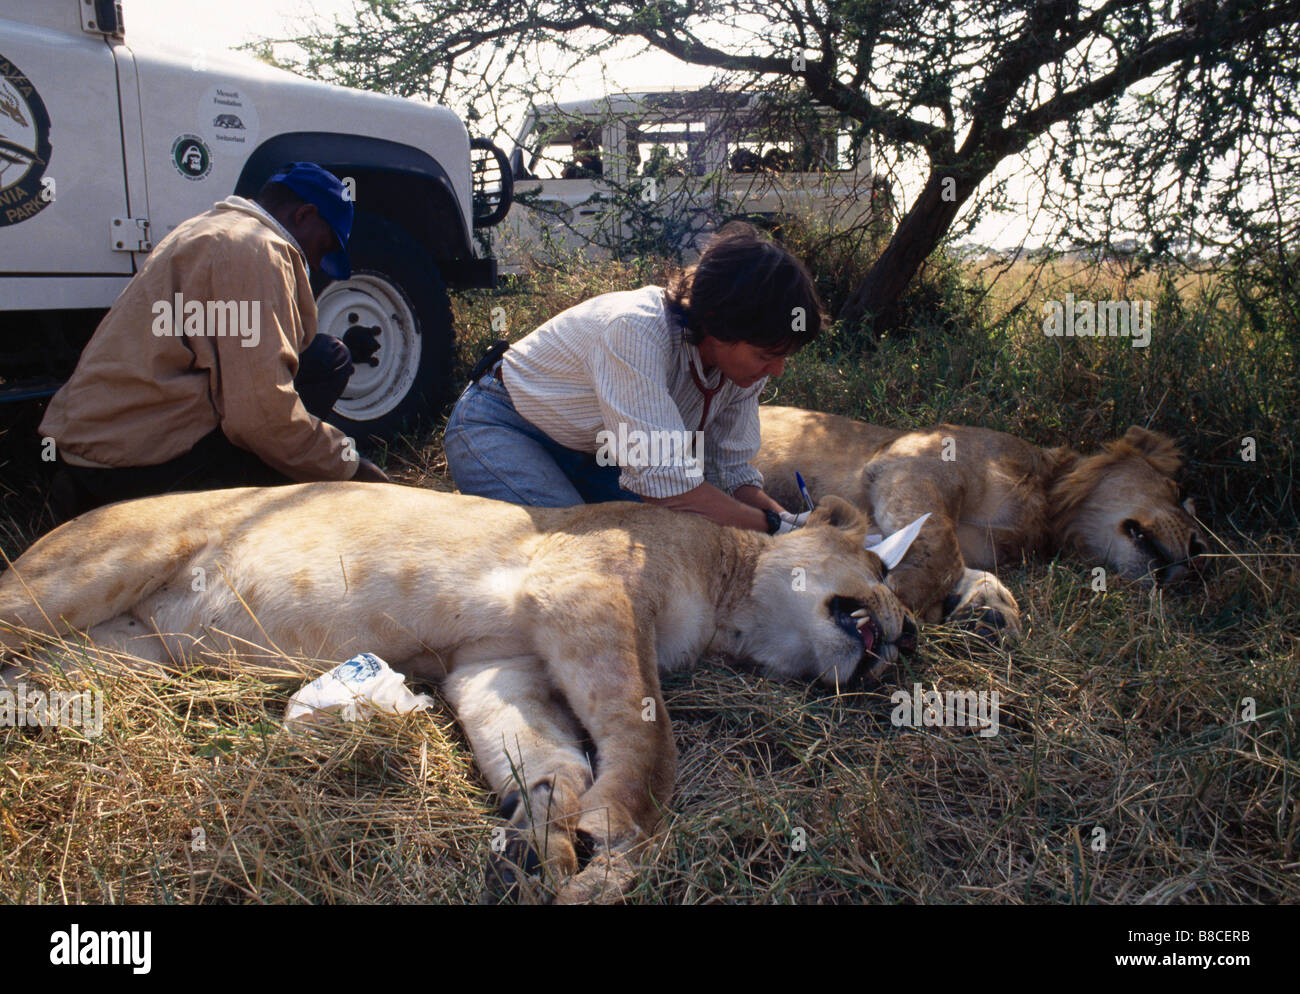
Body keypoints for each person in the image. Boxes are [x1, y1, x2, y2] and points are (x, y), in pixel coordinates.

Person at [40, 161, 389, 520]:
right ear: (305, 215)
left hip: (88, 443)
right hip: (128, 463)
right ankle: (131, 506)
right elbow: (259, 419)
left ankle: (88, 490)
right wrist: (349, 466)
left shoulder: (206, 229)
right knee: (322, 370)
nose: (317, 262)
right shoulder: (259, 250)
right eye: (324, 245)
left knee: (323, 356)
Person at [443, 223, 825, 534]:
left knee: (669, 538)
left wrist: (795, 525)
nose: (776, 371)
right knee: (580, 555)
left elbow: (730, 475)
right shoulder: (636, 331)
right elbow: (670, 488)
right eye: (766, 356)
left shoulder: (740, 371)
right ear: (719, 329)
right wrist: (776, 530)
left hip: (597, 455)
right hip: (502, 425)